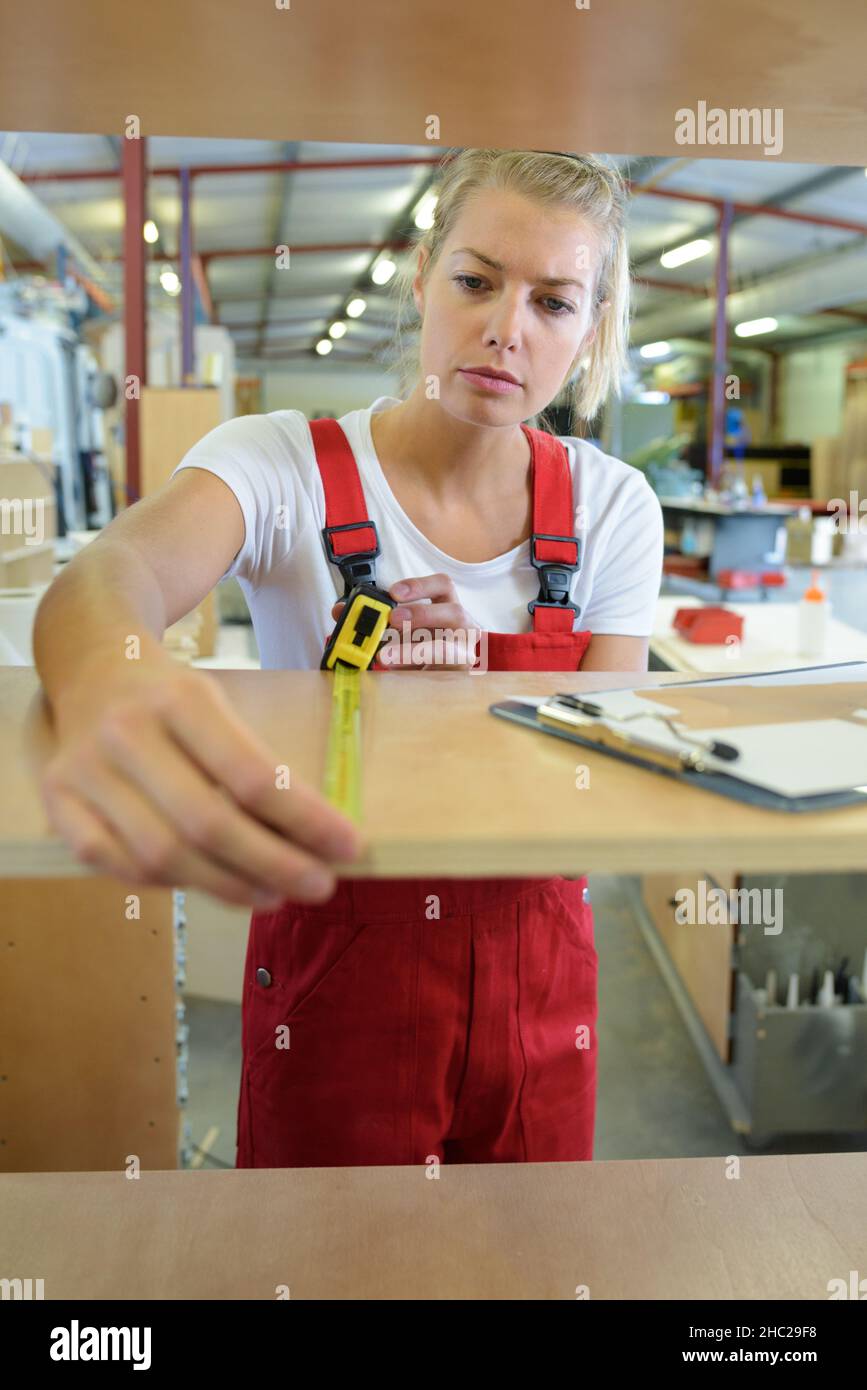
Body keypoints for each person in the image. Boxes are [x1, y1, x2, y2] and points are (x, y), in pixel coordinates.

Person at [33, 148, 663, 1169]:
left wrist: (473, 704)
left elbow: (602, 765)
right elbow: (107, 578)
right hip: (340, 975)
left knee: (534, 1262)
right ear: (421, 278)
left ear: (589, 329)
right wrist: (115, 673)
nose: (507, 327)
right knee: (323, 1267)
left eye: (555, 302)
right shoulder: (284, 464)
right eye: (475, 281)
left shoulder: (612, 508)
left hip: (539, 981)